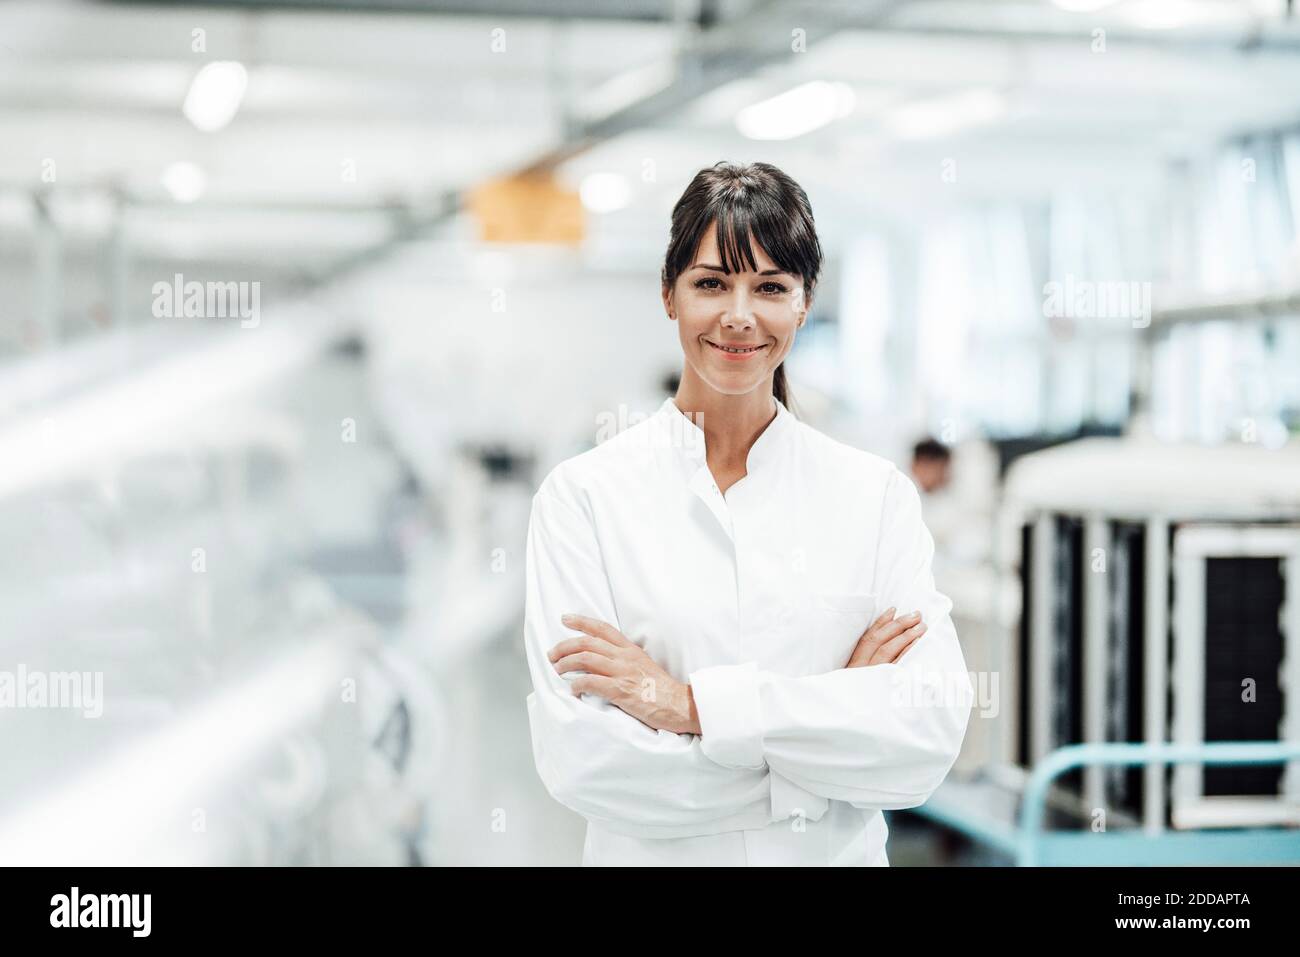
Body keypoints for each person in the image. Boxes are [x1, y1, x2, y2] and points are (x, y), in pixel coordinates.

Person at [522, 161, 974, 866]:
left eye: (769, 287)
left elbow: (922, 743)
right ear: (669, 294)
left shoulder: (873, 497)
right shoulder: (583, 500)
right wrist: (829, 734)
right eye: (711, 283)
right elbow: (591, 764)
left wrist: (686, 707)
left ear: (804, 301)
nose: (739, 313)